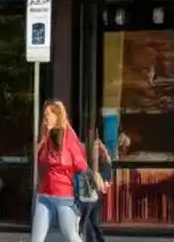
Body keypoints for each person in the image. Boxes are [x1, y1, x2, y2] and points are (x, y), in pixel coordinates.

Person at [31, 100, 87, 242]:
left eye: (47, 116)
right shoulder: (47, 136)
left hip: (64, 197)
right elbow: (37, 159)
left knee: (71, 235)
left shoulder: (68, 136)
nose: (45, 120)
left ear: (57, 116)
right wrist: (43, 139)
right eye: (44, 117)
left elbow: (81, 165)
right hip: (44, 196)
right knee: (36, 239)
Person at [78, 127, 113, 242]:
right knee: (91, 223)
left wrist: (99, 146)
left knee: (89, 223)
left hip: (93, 197)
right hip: (91, 196)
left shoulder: (104, 167)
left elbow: (105, 185)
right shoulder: (96, 166)